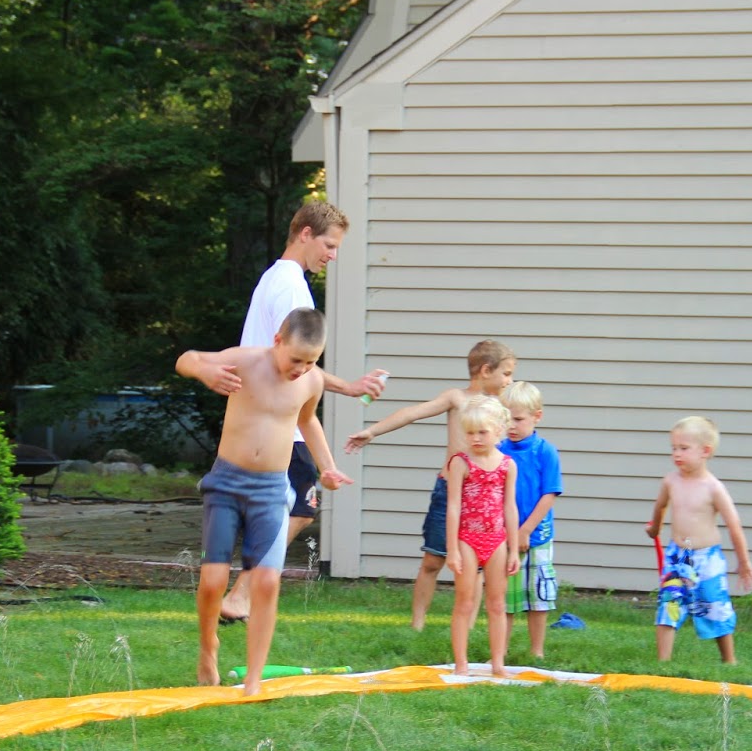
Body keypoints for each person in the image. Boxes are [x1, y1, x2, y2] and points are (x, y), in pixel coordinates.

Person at [213, 200, 387, 623]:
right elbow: (294, 358)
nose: (332, 254)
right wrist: (349, 386)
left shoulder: (276, 276)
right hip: (276, 420)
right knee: (298, 508)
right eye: (329, 244)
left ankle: (240, 591)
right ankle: (240, 595)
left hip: (271, 416)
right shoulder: (291, 286)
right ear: (305, 233)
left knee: (296, 505)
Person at [175, 307, 351, 696]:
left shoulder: (311, 381)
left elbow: (307, 421)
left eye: (311, 361)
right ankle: (208, 648)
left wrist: (327, 466)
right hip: (226, 485)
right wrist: (204, 372)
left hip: (271, 490)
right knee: (213, 581)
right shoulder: (246, 361)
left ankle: (254, 678)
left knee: (268, 581)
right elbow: (186, 359)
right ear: (277, 342)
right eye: (296, 359)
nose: (301, 369)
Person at [344, 340, 517, 629]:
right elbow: (413, 412)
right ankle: (418, 623)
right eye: (507, 373)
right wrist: (372, 431)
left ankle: (468, 626)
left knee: (475, 569)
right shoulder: (456, 398)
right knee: (433, 561)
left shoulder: (500, 408)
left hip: (484, 500)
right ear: (486, 370)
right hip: (449, 493)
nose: (509, 381)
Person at [645, 416, 752, 665]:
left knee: (714, 605)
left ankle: (729, 660)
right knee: (669, 602)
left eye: (684, 448)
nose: (677, 454)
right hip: (677, 556)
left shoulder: (713, 488)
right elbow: (660, 507)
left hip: (707, 559)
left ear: (705, 451)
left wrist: (744, 562)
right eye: (673, 448)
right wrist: (655, 529)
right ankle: (663, 662)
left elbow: (734, 526)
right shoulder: (670, 481)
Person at [445, 395, 520, 676]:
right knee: (464, 601)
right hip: (467, 538)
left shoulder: (507, 465)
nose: (475, 438)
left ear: (498, 431)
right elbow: (453, 506)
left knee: (497, 603)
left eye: (482, 432)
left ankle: (498, 661)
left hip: (497, 539)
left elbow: (509, 508)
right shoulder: (460, 463)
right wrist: (452, 548)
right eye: (470, 433)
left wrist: (513, 549)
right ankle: (461, 663)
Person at [498, 381, 564, 661]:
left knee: (538, 597)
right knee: (507, 599)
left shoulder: (545, 452)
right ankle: (500, 650)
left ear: (537, 416)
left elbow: (549, 494)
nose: (511, 425)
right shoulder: (498, 450)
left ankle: (537, 650)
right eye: (505, 419)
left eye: (518, 419)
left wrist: (525, 530)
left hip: (537, 537)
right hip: (503, 537)